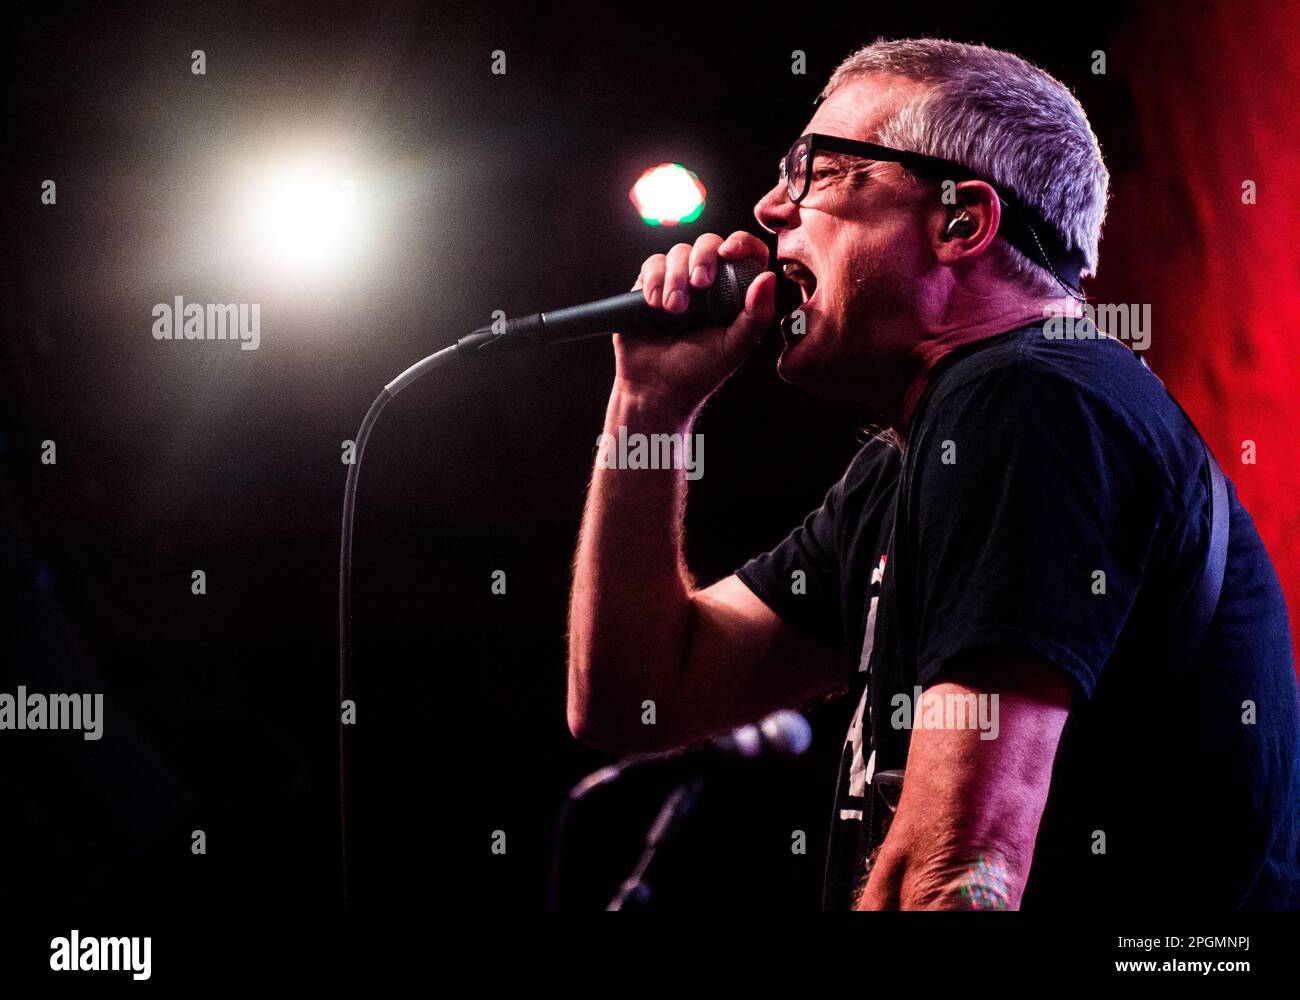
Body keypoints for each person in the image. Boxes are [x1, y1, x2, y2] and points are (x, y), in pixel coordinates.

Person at [565, 38, 1300, 910]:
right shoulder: (911, 461)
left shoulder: (1030, 400)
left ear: (962, 221)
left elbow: (961, 873)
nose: (769, 208)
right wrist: (648, 407)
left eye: (821, 173)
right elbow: (638, 696)